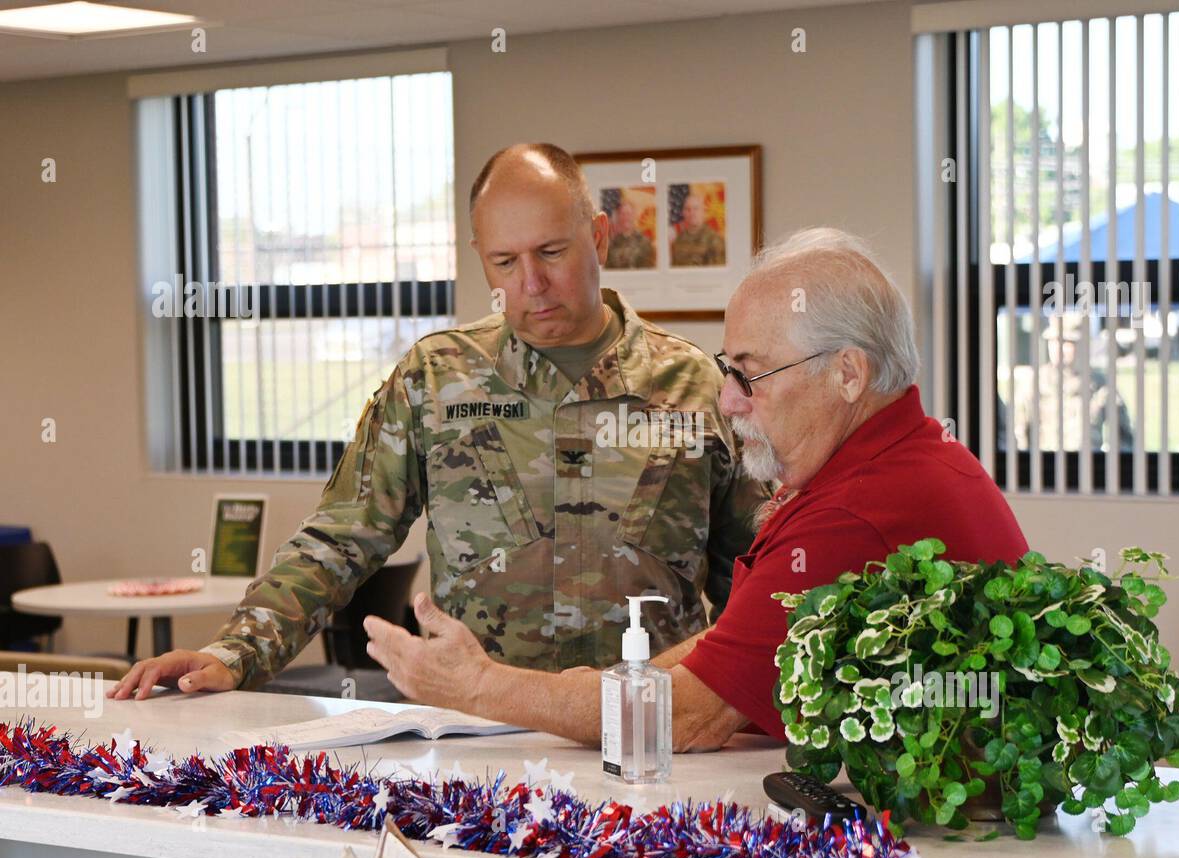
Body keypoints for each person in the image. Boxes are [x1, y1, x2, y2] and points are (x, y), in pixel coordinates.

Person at [109, 143, 769, 701]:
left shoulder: (697, 388)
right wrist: (237, 652)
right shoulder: (437, 380)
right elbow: (340, 536)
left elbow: (755, 576)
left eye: (551, 252)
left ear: (599, 237)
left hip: (651, 728)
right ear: (480, 255)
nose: (531, 284)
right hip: (474, 730)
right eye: (504, 263)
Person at [356, 227, 1029, 750]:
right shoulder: (896, 463)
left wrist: (480, 687)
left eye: (751, 374)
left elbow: (689, 715)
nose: (729, 403)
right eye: (725, 371)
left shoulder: (856, 513)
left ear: (847, 374)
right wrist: (577, 690)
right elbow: (724, 652)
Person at [1011, 312, 1134, 452]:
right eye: (1053, 341)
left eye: (1066, 343)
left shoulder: (1101, 385)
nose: (1058, 348)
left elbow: (1126, 438)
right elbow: (1018, 436)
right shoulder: (1034, 383)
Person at [670, 192, 725, 266]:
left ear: (704, 211)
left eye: (696, 208)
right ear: (683, 213)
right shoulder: (678, 240)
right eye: (688, 209)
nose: (692, 213)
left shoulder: (715, 240)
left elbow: (718, 274)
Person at [605, 198, 655, 269]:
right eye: (623, 214)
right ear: (618, 217)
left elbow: (650, 270)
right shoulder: (612, 244)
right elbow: (608, 269)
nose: (626, 217)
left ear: (634, 216)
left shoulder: (645, 242)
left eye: (628, 214)